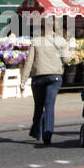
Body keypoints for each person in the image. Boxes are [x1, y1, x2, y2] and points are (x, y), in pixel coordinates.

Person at [24, 15, 68, 146]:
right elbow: (66, 60)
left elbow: (29, 62)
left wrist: (23, 79)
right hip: (55, 77)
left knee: (38, 105)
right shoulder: (61, 41)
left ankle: (36, 131)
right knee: (49, 105)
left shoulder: (36, 41)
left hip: (38, 77)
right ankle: (47, 134)